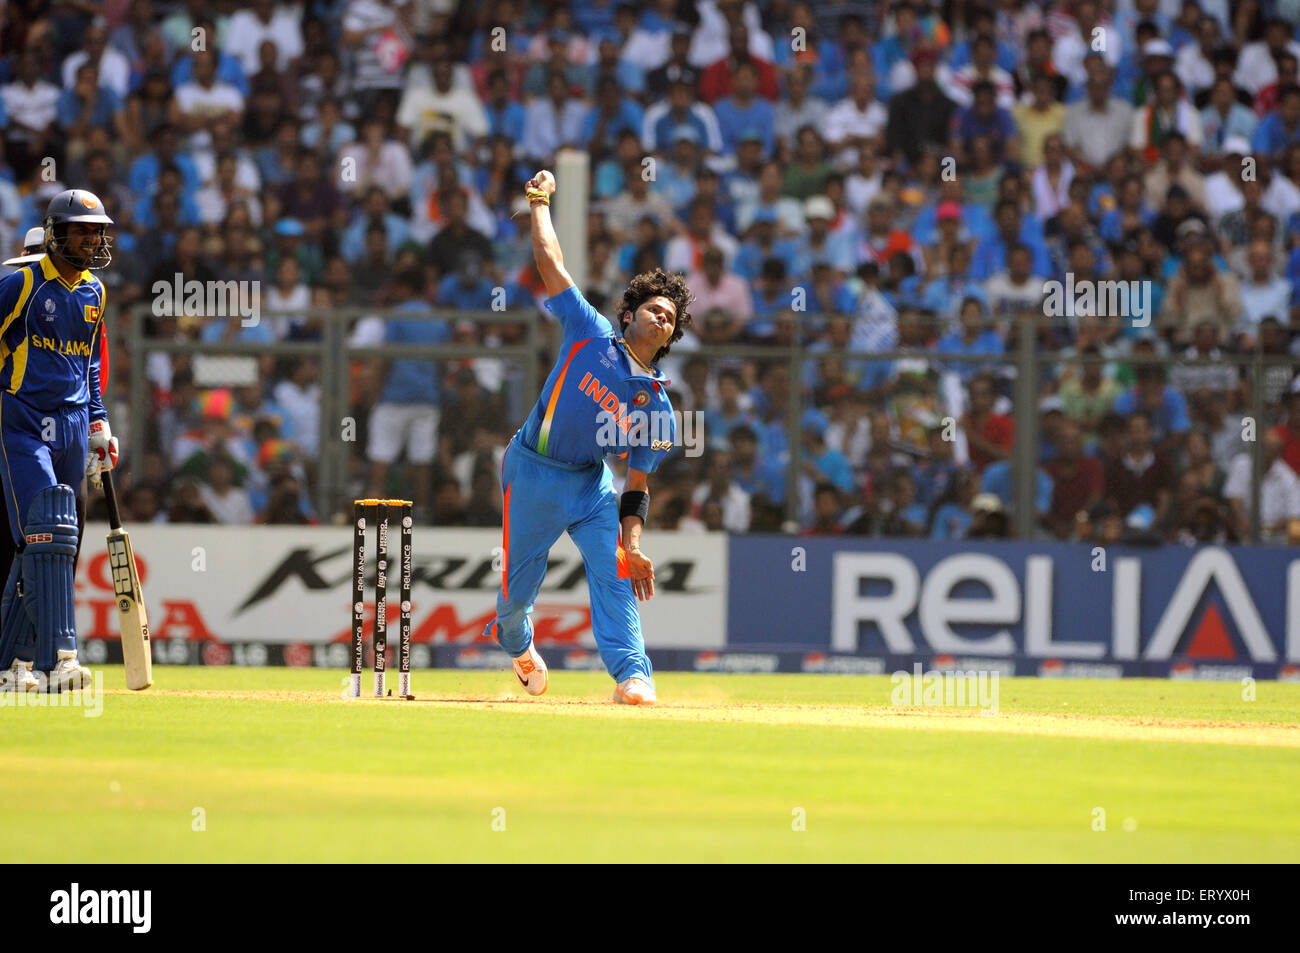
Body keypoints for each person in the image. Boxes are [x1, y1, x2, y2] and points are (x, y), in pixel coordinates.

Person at [482, 169, 692, 706]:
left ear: (670, 336)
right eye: (654, 308)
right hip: (532, 470)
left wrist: (636, 545)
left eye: (670, 317)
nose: (662, 317)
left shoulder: (658, 405)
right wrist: (538, 202)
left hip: (591, 486)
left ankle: (632, 677)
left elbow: (638, 483)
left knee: (616, 569)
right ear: (629, 314)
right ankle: (520, 646)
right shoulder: (589, 330)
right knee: (512, 604)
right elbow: (550, 263)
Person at [0, 190, 118, 692]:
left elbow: (88, 364)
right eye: (81, 230)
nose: (91, 240)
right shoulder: (22, 285)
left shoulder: (95, 292)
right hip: (23, 420)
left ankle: (13, 666)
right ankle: (60, 660)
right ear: (54, 234)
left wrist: (98, 425)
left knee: (57, 544)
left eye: (96, 231)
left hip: (72, 428)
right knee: (44, 531)